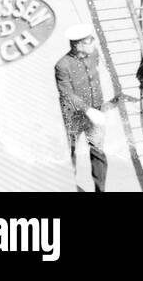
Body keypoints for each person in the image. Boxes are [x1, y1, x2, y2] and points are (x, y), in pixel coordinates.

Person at [54, 24, 111, 192]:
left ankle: (101, 190)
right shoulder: (62, 65)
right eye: (89, 41)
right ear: (77, 44)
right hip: (74, 115)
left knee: (98, 152)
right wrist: (88, 110)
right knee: (70, 151)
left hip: (96, 111)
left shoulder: (94, 54)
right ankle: (69, 188)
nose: (93, 43)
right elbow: (67, 94)